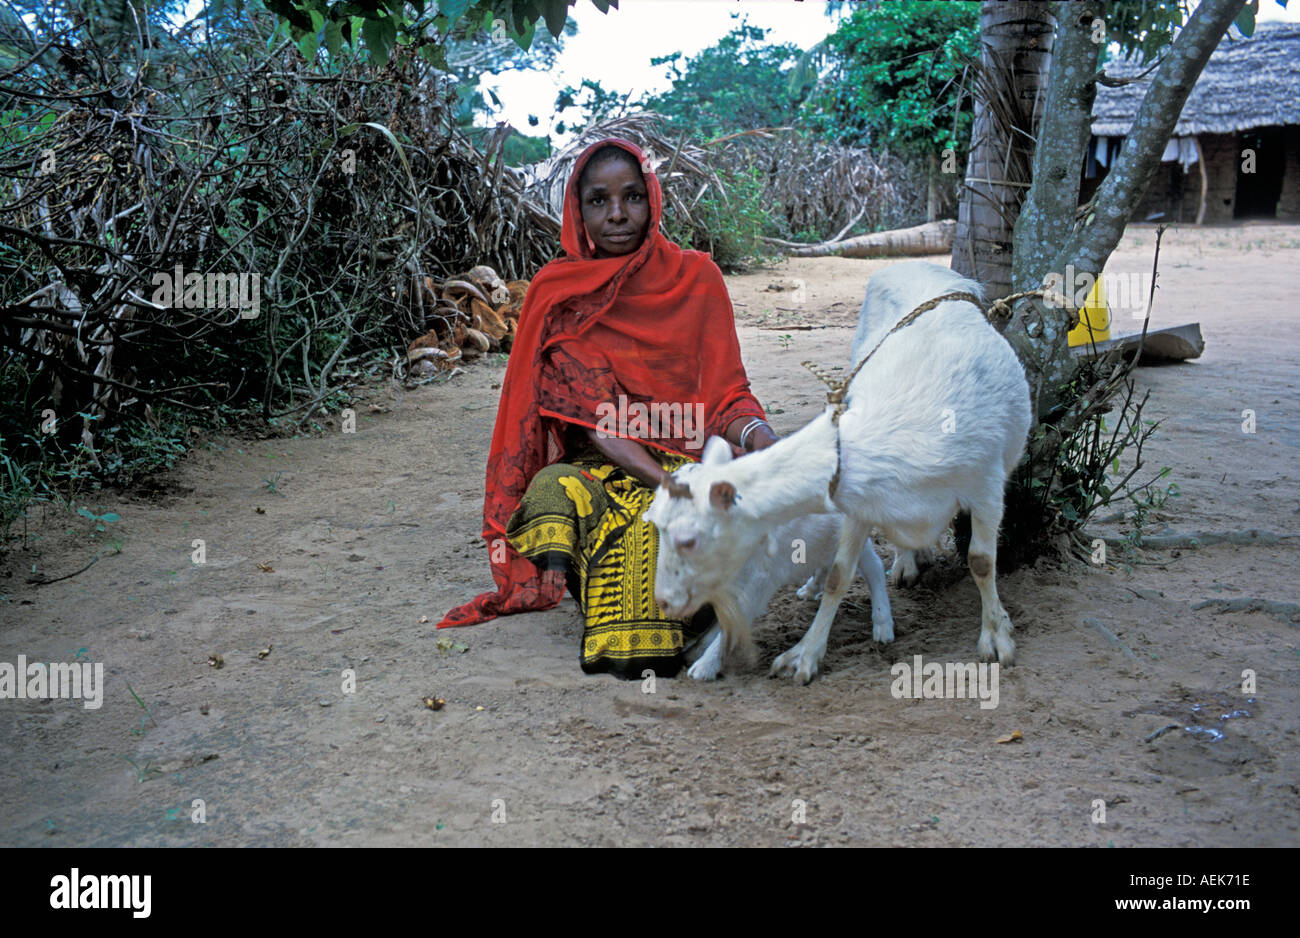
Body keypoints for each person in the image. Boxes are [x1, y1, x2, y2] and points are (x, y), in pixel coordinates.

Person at [436, 137, 777, 677]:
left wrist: (765, 442)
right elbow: (597, 421)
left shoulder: (698, 280)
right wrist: (668, 487)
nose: (617, 214)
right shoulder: (558, 292)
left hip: (687, 459)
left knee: (667, 539)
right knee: (554, 495)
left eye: (632, 197)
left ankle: (692, 604)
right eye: (599, 200)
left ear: (653, 200)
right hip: (605, 464)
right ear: (578, 210)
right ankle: (601, 586)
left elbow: (727, 396)